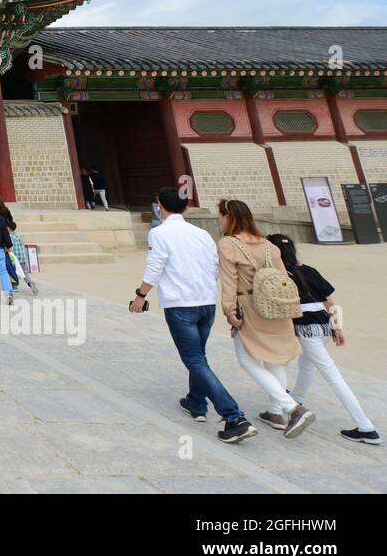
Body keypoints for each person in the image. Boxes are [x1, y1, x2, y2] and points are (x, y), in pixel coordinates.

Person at [129, 187, 256, 444]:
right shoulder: (202, 234)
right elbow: (214, 266)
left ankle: (234, 417)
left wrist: (141, 295)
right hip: (205, 302)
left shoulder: (159, 232)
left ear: (159, 204)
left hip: (180, 305)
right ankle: (196, 402)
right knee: (199, 355)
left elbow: (156, 265)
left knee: (194, 360)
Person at [266, 234, 378, 444]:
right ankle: (296, 399)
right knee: (307, 364)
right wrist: (337, 326)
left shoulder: (282, 274)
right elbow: (329, 300)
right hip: (325, 325)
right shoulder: (309, 269)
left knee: (332, 375)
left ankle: (366, 426)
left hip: (307, 329)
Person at [217, 199, 309, 438]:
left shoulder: (228, 244)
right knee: (275, 360)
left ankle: (291, 407)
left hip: (249, 306)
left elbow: (229, 282)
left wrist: (229, 310)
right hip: (277, 306)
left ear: (228, 216)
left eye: (221, 215)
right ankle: (275, 412)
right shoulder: (270, 246)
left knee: (247, 360)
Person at [6, 220, 37, 294]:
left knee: (13, 272)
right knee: (24, 272)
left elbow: (9, 247)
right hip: (22, 257)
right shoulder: (18, 235)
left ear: (9, 228)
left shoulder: (8, 237)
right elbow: (22, 245)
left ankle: (14, 286)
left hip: (14, 258)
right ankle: (30, 283)